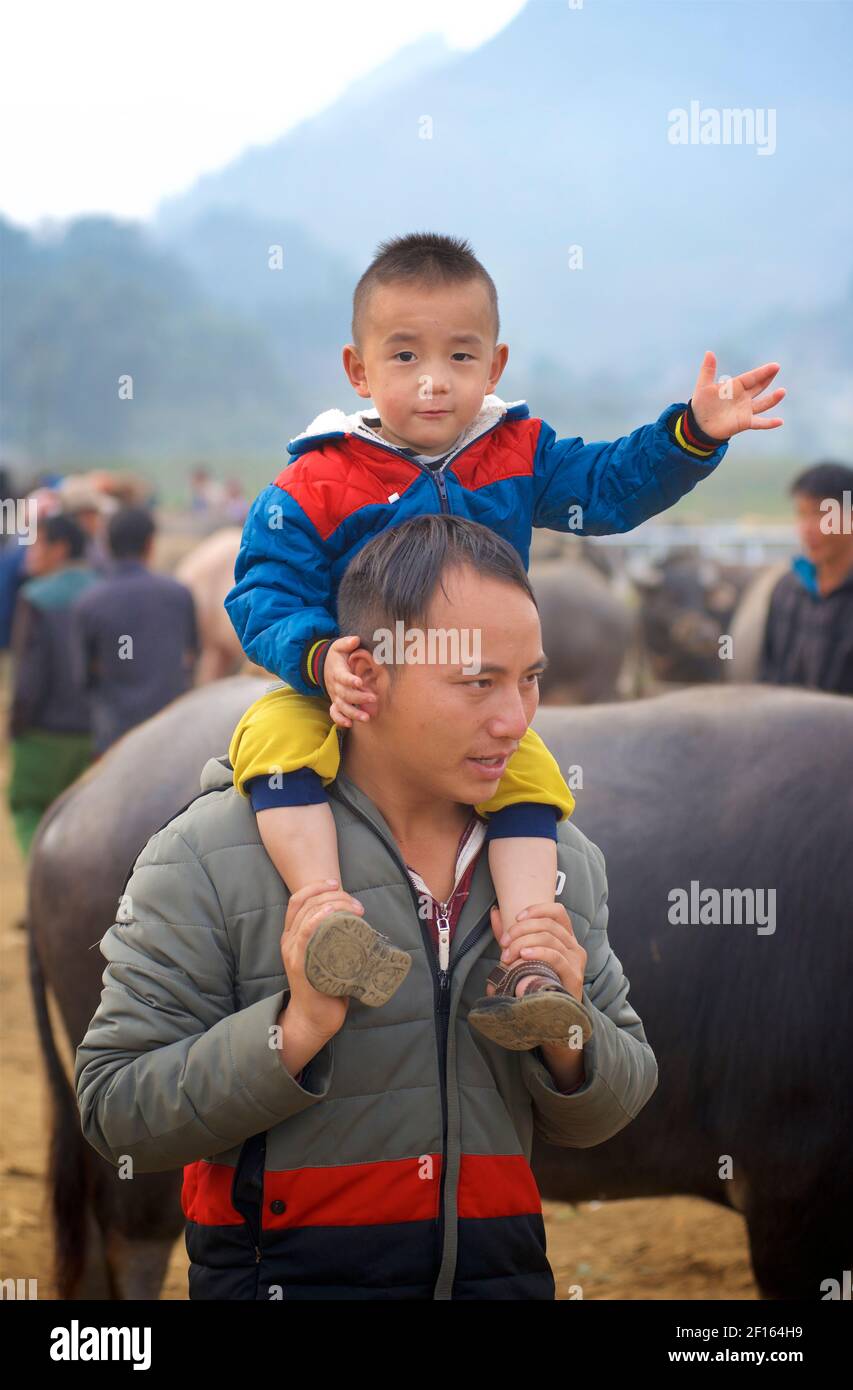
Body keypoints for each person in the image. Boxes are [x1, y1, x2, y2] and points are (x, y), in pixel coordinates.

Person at [223, 231, 785, 1049]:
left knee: (528, 776)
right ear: (358, 370)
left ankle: (531, 959)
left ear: (495, 365)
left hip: (475, 687)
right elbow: (261, 589)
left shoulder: (517, 452)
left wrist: (690, 436)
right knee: (270, 739)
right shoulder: (315, 478)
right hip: (354, 693)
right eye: (405, 355)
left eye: (459, 356)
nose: (432, 380)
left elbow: (607, 488)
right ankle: (323, 916)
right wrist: (318, 656)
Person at [75, 515, 659, 1300]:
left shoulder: (557, 863)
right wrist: (297, 1030)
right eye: (478, 682)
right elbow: (115, 1112)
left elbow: (610, 1110)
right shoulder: (210, 857)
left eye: (529, 679)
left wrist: (569, 1043)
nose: (516, 720)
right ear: (365, 678)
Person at [69, 506, 200, 755]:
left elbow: (83, 678)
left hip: (114, 739)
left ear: (106, 545)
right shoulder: (178, 595)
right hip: (171, 735)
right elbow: (192, 658)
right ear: (151, 544)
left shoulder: (89, 603)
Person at [7, 513, 98, 855]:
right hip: (94, 735)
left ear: (60, 549)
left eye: (37, 545)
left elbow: (29, 677)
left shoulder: (34, 597)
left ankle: (39, 891)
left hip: (43, 733)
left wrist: (17, 725)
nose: (30, 555)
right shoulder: (102, 587)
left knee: (27, 807)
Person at [757, 461, 853, 695]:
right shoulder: (787, 589)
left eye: (821, 514)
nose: (807, 528)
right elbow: (767, 675)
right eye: (802, 514)